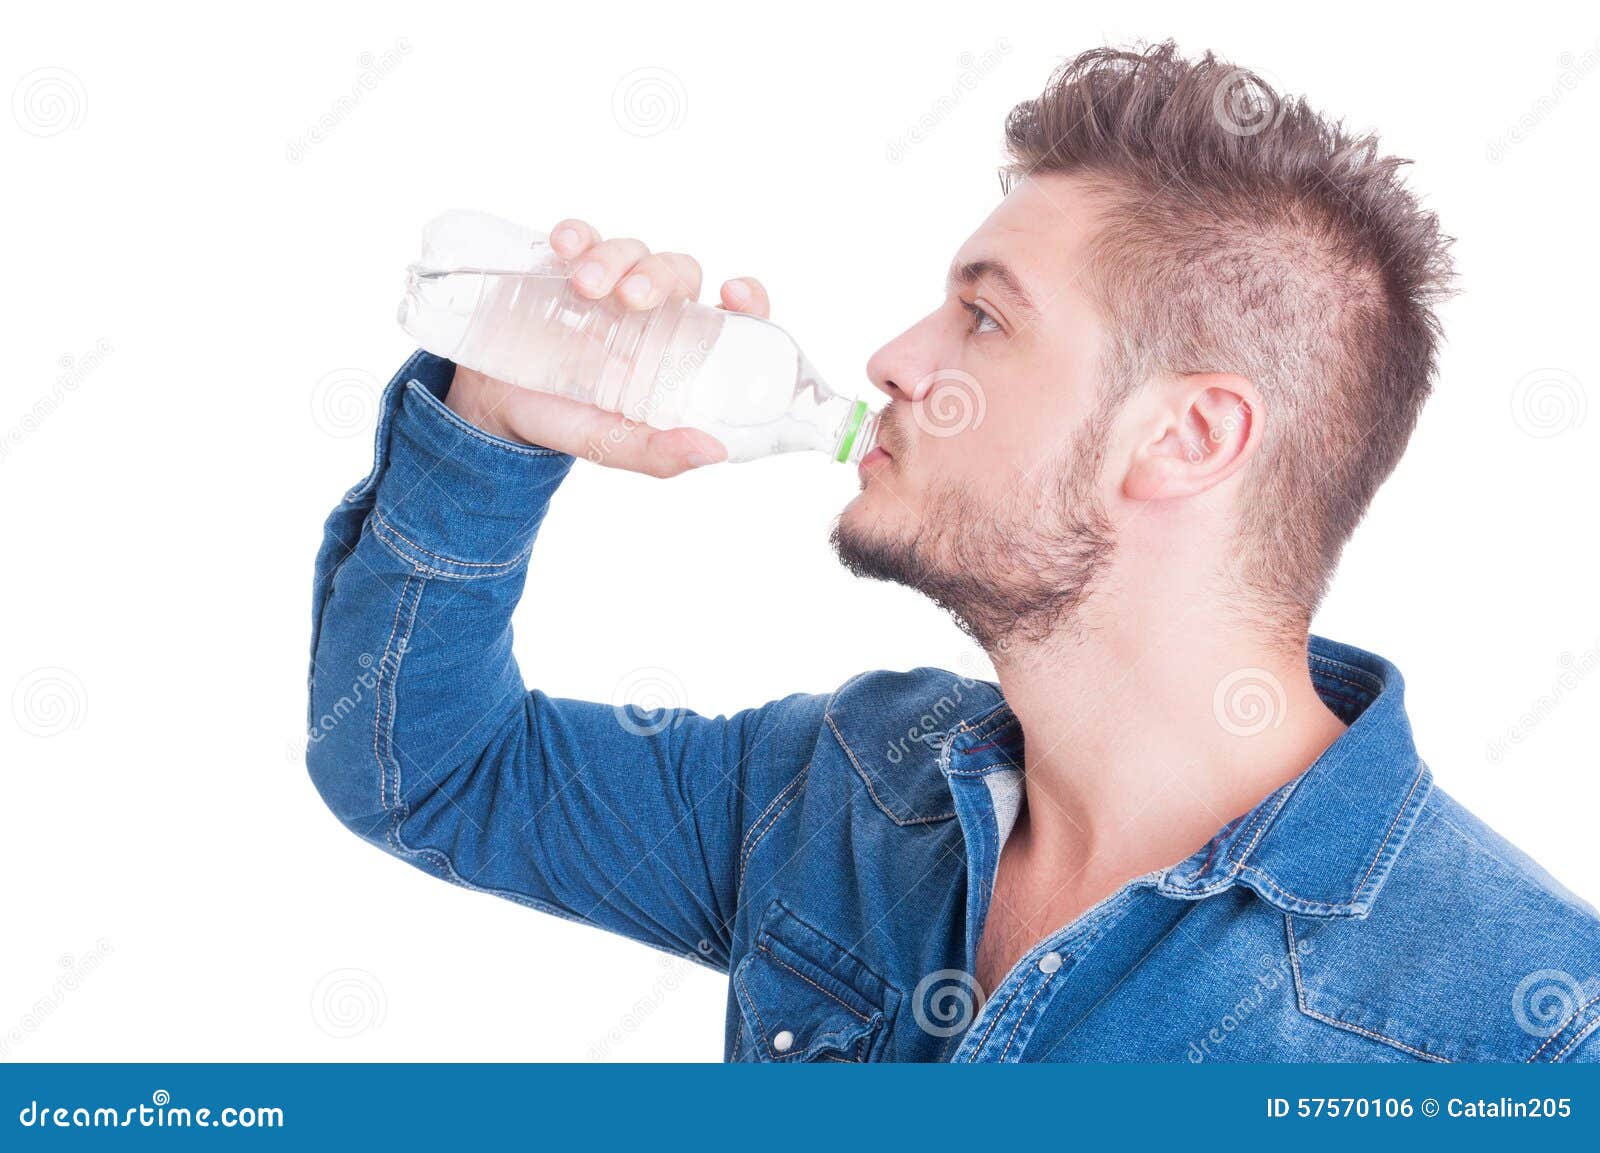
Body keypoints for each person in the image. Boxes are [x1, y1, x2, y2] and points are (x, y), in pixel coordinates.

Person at [306, 42, 1600, 1062]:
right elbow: (428, 769)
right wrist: (492, 425)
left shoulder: (1524, 1028)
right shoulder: (850, 787)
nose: (892, 359)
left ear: (1186, 435)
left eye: (984, 316)